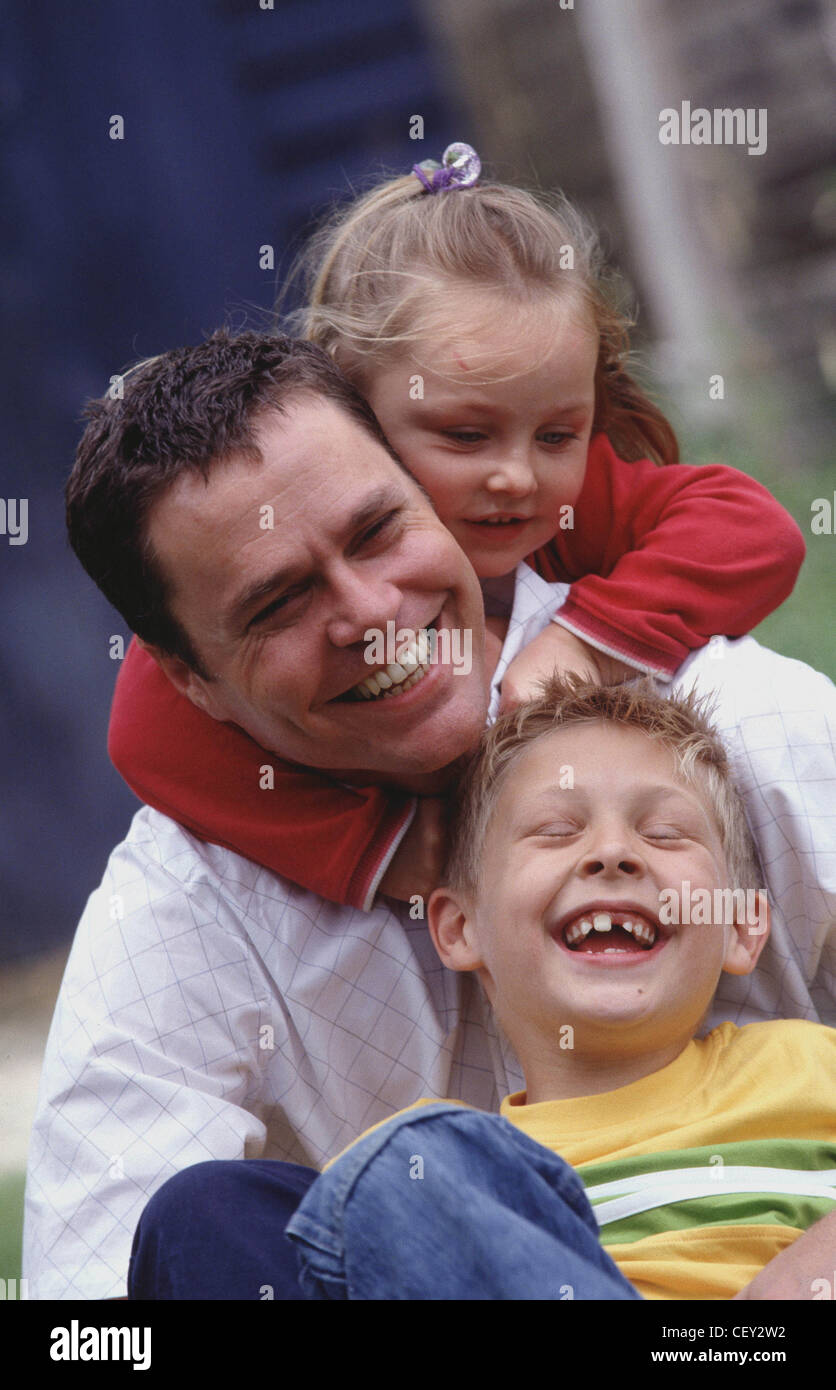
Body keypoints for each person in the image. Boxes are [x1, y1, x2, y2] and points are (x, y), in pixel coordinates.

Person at [24, 331, 834, 1301]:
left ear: (428, 492)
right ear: (191, 682)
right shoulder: (184, 914)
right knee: (211, 1220)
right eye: (279, 601)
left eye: (375, 531)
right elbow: (98, 1303)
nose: (369, 611)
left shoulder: (739, 734)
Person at [107, 144, 807, 911]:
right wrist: (380, 848)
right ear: (351, 397)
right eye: (465, 437)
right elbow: (146, 731)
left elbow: (754, 529)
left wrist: (576, 644)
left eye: (556, 434)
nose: (517, 476)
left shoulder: (567, 502)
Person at [128, 680, 836, 1300]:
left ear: (742, 925)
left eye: (665, 831)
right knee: (205, 1211)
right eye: (556, 830)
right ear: (461, 927)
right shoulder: (439, 1177)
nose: (613, 852)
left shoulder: (806, 1067)